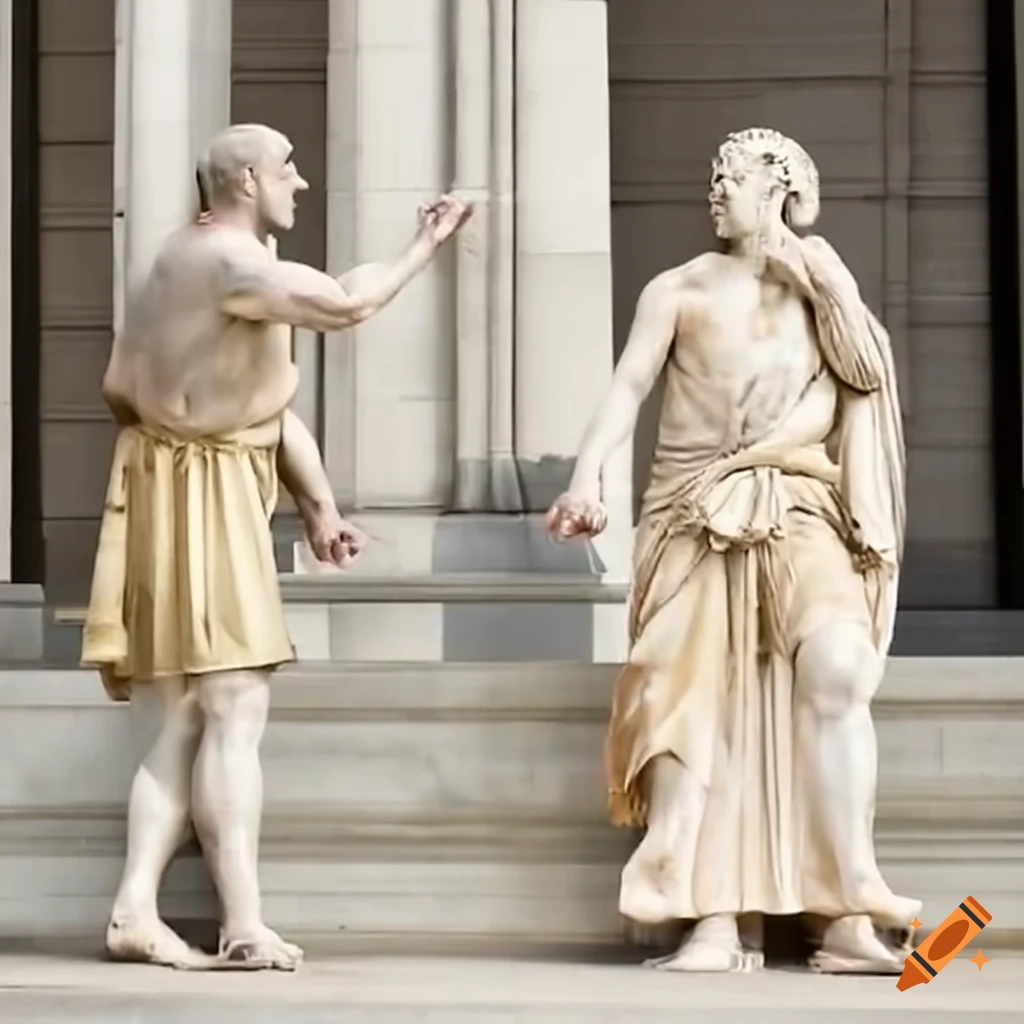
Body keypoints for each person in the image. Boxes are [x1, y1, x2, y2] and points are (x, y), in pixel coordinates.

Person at [82, 123, 472, 970]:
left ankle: (135, 910)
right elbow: (346, 304)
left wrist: (318, 507)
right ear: (249, 180)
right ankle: (244, 923)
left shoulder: (177, 262)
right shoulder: (229, 264)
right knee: (232, 709)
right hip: (202, 486)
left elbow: (233, 401)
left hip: (180, 476)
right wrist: (426, 244)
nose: (300, 181)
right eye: (288, 169)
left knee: (189, 714)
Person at [546, 128, 920, 973]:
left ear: (780, 184)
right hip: (691, 513)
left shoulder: (819, 279)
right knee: (690, 702)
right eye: (712, 175)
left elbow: (864, 370)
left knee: (837, 669)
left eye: (733, 176)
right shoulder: (676, 289)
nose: (714, 189)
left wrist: (821, 278)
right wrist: (587, 477)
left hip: (795, 501)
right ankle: (712, 913)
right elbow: (629, 386)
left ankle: (851, 901)